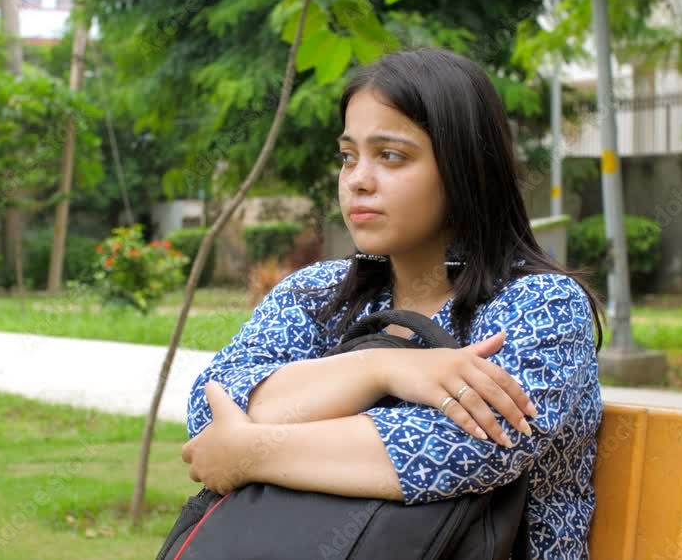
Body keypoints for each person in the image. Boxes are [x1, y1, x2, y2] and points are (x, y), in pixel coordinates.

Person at [180, 48, 605, 560]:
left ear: (465, 169)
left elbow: (463, 449)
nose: (358, 178)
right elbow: (214, 406)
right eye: (348, 155)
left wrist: (250, 452)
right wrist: (383, 368)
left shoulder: (540, 306)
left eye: (391, 156)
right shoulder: (317, 294)